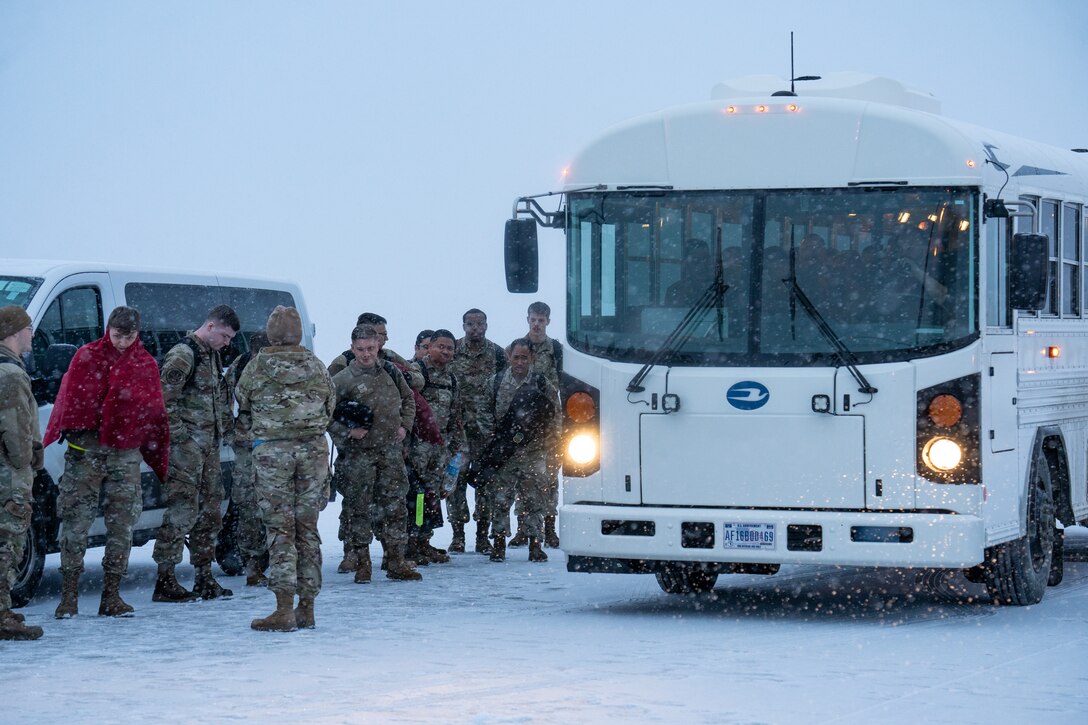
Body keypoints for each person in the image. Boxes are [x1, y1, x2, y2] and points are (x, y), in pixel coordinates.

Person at [44, 306, 169, 619]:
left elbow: (153, 410)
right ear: (108, 329)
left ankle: (111, 595)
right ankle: (68, 596)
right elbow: (68, 400)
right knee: (75, 521)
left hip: (124, 455)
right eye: (117, 335)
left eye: (129, 336)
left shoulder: (144, 363)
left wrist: (145, 439)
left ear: (137, 333)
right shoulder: (86, 356)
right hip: (85, 453)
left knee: (122, 523)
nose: (123, 342)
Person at [236, 306, 336, 631]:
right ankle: (307, 607)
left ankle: (282, 608)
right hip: (313, 450)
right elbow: (329, 405)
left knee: (281, 530)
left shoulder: (255, 367)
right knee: (308, 531)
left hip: (272, 454)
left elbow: (243, 407)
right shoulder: (317, 366)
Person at [152, 304, 239, 603]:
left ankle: (204, 576)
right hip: (187, 450)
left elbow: (218, 403)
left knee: (211, 511)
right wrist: (182, 439)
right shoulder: (184, 354)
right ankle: (165, 580)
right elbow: (164, 401)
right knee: (181, 511)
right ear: (211, 326)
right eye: (225, 336)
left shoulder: (211, 356)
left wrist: (230, 435)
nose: (227, 343)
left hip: (209, 449)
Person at [328, 312, 425, 573]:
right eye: (360, 349)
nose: (366, 354)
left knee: (395, 506)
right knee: (359, 508)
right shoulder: (341, 380)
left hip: (390, 451)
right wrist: (347, 433)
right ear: (352, 348)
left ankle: (395, 560)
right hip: (358, 455)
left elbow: (409, 399)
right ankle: (362, 561)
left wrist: (404, 426)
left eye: (371, 348)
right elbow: (324, 414)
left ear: (377, 346)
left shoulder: (391, 371)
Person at [471, 338, 560, 563]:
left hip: (533, 451)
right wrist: (494, 437)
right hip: (504, 452)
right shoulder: (496, 382)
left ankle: (535, 544)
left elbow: (555, 415)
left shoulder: (541, 383)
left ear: (532, 358)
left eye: (524, 358)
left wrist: (547, 441)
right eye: (516, 357)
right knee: (500, 498)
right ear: (509, 356)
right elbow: (483, 410)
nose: (519, 362)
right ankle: (499, 542)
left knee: (534, 499)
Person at [0, 306, 45, 639]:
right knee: (9, 542)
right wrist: (27, 464)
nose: (32, 334)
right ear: (15, 332)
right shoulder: (11, 374)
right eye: (29, 329)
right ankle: (2, 615)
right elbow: (16, 434)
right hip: (8, 474)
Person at [447, 308, 506, 554]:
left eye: (479, 323)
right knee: (455, 481)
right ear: (463, 326)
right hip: (458, 430)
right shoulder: (452, 351)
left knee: (486, 482)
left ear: (486, 325)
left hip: (486, 431)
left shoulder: (498, 354)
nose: (475, 328)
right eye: (470, 324)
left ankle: (483, 536)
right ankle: (458, 535)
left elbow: (504, 390)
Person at [407, 329, 465, 564]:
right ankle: (410, 543)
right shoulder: (417, 373)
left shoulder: (452, 379)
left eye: (450, 348)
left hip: (440, 450)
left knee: (431, 496)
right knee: (416, 496)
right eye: (441, 346)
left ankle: (424, 541)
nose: (445, 351)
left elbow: (455, 416)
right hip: (417, 448)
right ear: (429, 347)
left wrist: (455, 450)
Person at [510, 301, 563, 549]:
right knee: (524, 478)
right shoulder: (517, 348)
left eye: (542, 320)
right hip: (524, 423)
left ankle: (550, 529)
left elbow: (564, 383)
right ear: (527, 319)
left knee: (550, 478)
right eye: (533, 319)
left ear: (548, 322)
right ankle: (523, 529)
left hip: (550, 423)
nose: (537, 324)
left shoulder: (556, 350)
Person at [224, 330, 271, 587]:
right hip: (247, 447)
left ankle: (275, 559)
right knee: (248, 506)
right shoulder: (240, 366)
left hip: (275, 445)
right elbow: (224, 399)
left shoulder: (279, 366)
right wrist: (231, 432)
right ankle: (253, 564)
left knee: (277, 506)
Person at [665, 239, 713, 306]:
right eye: (696, 260)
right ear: (686, 264)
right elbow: (673, 315)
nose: (703, 265)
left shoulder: (720, 289)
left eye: (706, 259)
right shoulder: (675, 290)